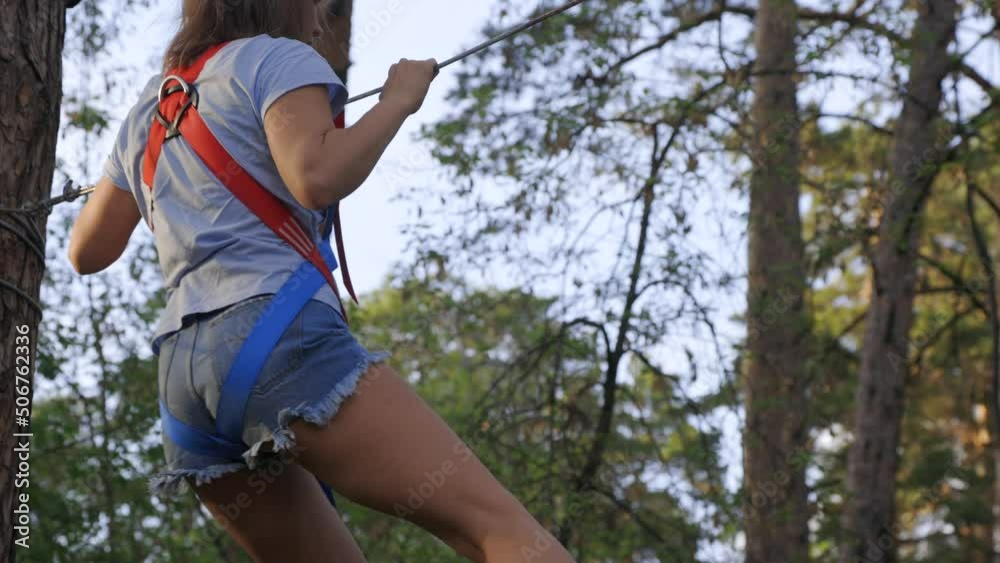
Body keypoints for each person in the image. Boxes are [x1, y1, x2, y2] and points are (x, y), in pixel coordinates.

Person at [67, 1, 577, 562]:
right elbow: (316, 176)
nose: (320, 20)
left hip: (186, 389)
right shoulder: (277, 59)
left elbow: (87, 252)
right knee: (500, 532)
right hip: (277, 338)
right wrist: (398, 101)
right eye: (317, 3)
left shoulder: (150, 108)